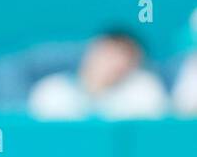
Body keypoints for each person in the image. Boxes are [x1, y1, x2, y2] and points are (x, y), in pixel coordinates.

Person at [29, 30, 168, 120]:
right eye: (111, 52)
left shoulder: (144, 90)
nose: (117, 62)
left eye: (128, 57)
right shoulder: (51, 90)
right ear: (93, 48)